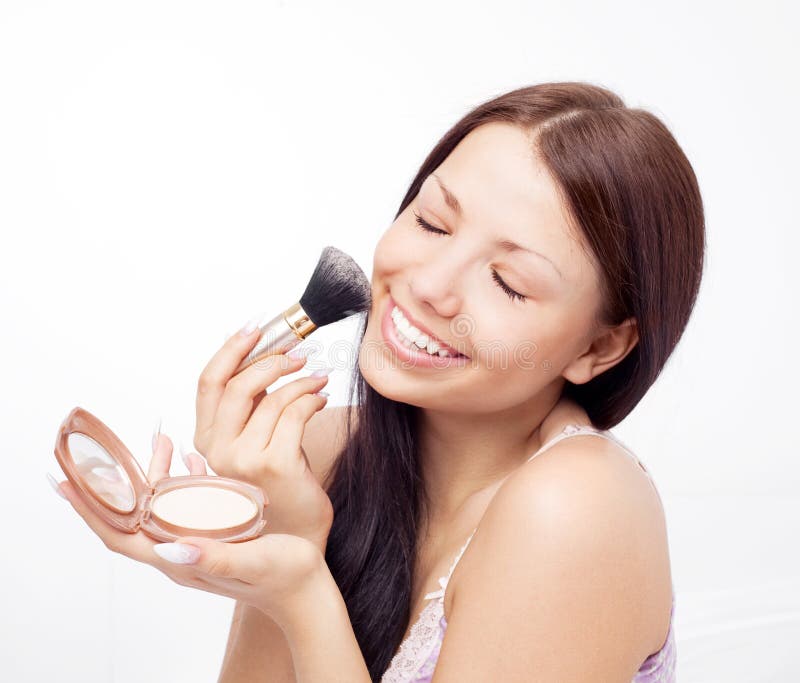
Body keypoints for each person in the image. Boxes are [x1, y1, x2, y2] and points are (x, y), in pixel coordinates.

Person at [53, 81, 704, 682]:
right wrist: (283, 540)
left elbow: (300, 600)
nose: (428, 284)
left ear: (598, 346)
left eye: (508, 282)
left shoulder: (575, 508)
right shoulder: (325, 451)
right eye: (432, 222)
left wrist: (301, 591)